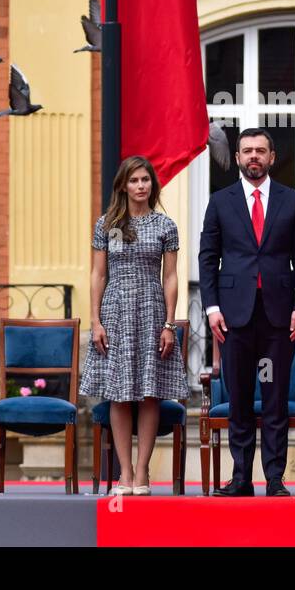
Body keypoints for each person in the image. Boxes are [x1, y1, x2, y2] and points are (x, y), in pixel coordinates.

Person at [198, 127, 295, 496]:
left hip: (279, 316)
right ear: (236, 158)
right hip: (233, 317)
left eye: (260, 151)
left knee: (275, 396)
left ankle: (275, 479)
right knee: (240, 398)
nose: (253, 156)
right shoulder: (220, 201)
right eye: (247, 150)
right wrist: (212, 307)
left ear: (271, 157)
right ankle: (242, 477)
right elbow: (208, 258)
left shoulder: (292, 201)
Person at [81, 156, 186, 495]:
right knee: (120, 393)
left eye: (146, 180)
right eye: (135, 180)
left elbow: (170, 277)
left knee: (150, 392)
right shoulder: (108, 224)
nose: (142, 186)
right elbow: (98, 274)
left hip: (152, 309)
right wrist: (95, 320)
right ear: (123, 185)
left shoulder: (164, 226)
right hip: (115, 310)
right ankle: (124, 475)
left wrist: (169, 323)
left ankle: (142, 473)